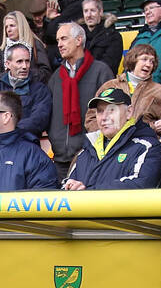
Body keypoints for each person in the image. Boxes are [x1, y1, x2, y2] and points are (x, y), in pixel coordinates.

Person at [63, 85, 161, 190]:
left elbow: (140, 185)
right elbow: (66, 189)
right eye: (100, 111)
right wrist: (69, 186)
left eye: (111, 110)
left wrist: (88, 191)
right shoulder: (85, 152)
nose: (104, 117)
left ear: (129, 112)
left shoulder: (147, 148)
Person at [47, 21, 114, 175]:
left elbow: (111, 112)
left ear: (79, 40)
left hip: (92, 156)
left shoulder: (101, 71)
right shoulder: (56, 77)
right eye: (57, 40)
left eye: (64, 39)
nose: (59, 44)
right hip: (60, 158)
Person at [0, 41, 52, 141]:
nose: (25, 66)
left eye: (27, 61)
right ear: (8, 64)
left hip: (27, 144)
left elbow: (40, 119)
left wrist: (8, 130)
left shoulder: (40, 90)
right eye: (19, 61)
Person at [116, 44, 161, 137]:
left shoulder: (158, 90)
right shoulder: (112, 85)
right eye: (144, 59)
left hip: (145, 142)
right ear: (133, 60)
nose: (148, 64)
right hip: (113, 143)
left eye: (152, 61)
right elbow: (92, 117)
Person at [0, 11, 51, 84]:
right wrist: (11, 75)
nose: (8, 30)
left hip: (33, 91)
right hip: (9, 92)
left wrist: (24, 73)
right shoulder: (2, 49)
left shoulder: (35, 44)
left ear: (21, 26)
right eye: (6, 27)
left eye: (12, 25)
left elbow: (46, 73)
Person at [81, 0, 123, 74]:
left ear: (100, 12)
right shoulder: (78, 36)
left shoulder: (114, 36)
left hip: (103, 82)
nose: (89, 15)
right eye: (86, 11)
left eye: (92, 10)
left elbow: (109, 66)